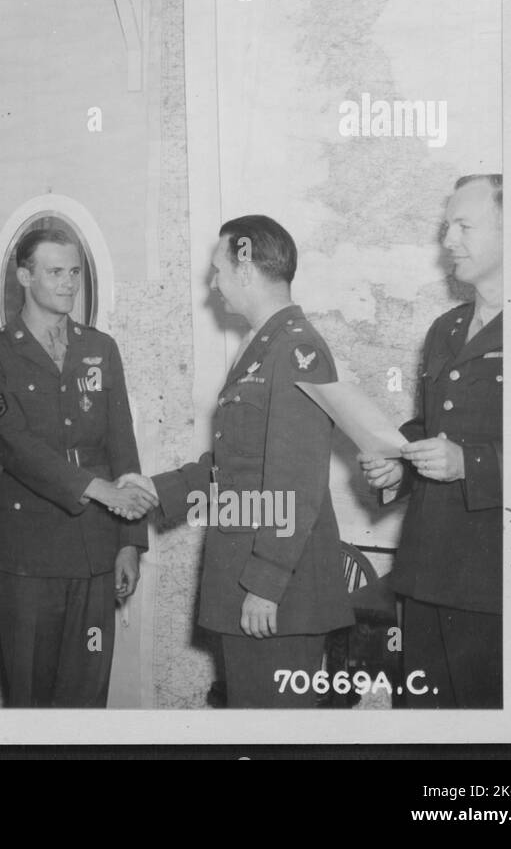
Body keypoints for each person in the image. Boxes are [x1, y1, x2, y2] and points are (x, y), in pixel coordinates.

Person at [126, 215, 353, 708]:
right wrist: (156, 489)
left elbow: (295, 480)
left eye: (218, 269)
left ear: (246, 268)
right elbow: (235, 466)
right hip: (252, 582)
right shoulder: (263, 347)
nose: (213, 282)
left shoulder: (296, 349)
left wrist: (266, 584)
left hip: (277, 596)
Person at [0, 227, 151, 708]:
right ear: (25, 276)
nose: (69, 283)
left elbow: (122, 444)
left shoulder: (100, 348)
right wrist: (98, 489)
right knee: (30, 695)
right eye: (55, 272)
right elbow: (16, 447)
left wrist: (130, 542)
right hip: (27, 557)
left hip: (96, 551)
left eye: (74, 272)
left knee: (87, 694)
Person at [360, 175, 503, 707]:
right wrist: (400, 463)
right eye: (447, 226)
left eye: (464, 226)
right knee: (422, 728)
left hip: (496, 585)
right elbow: (429, 427)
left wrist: (470, 463)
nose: (448, 241)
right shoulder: (445, 328)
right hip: (424, 572)